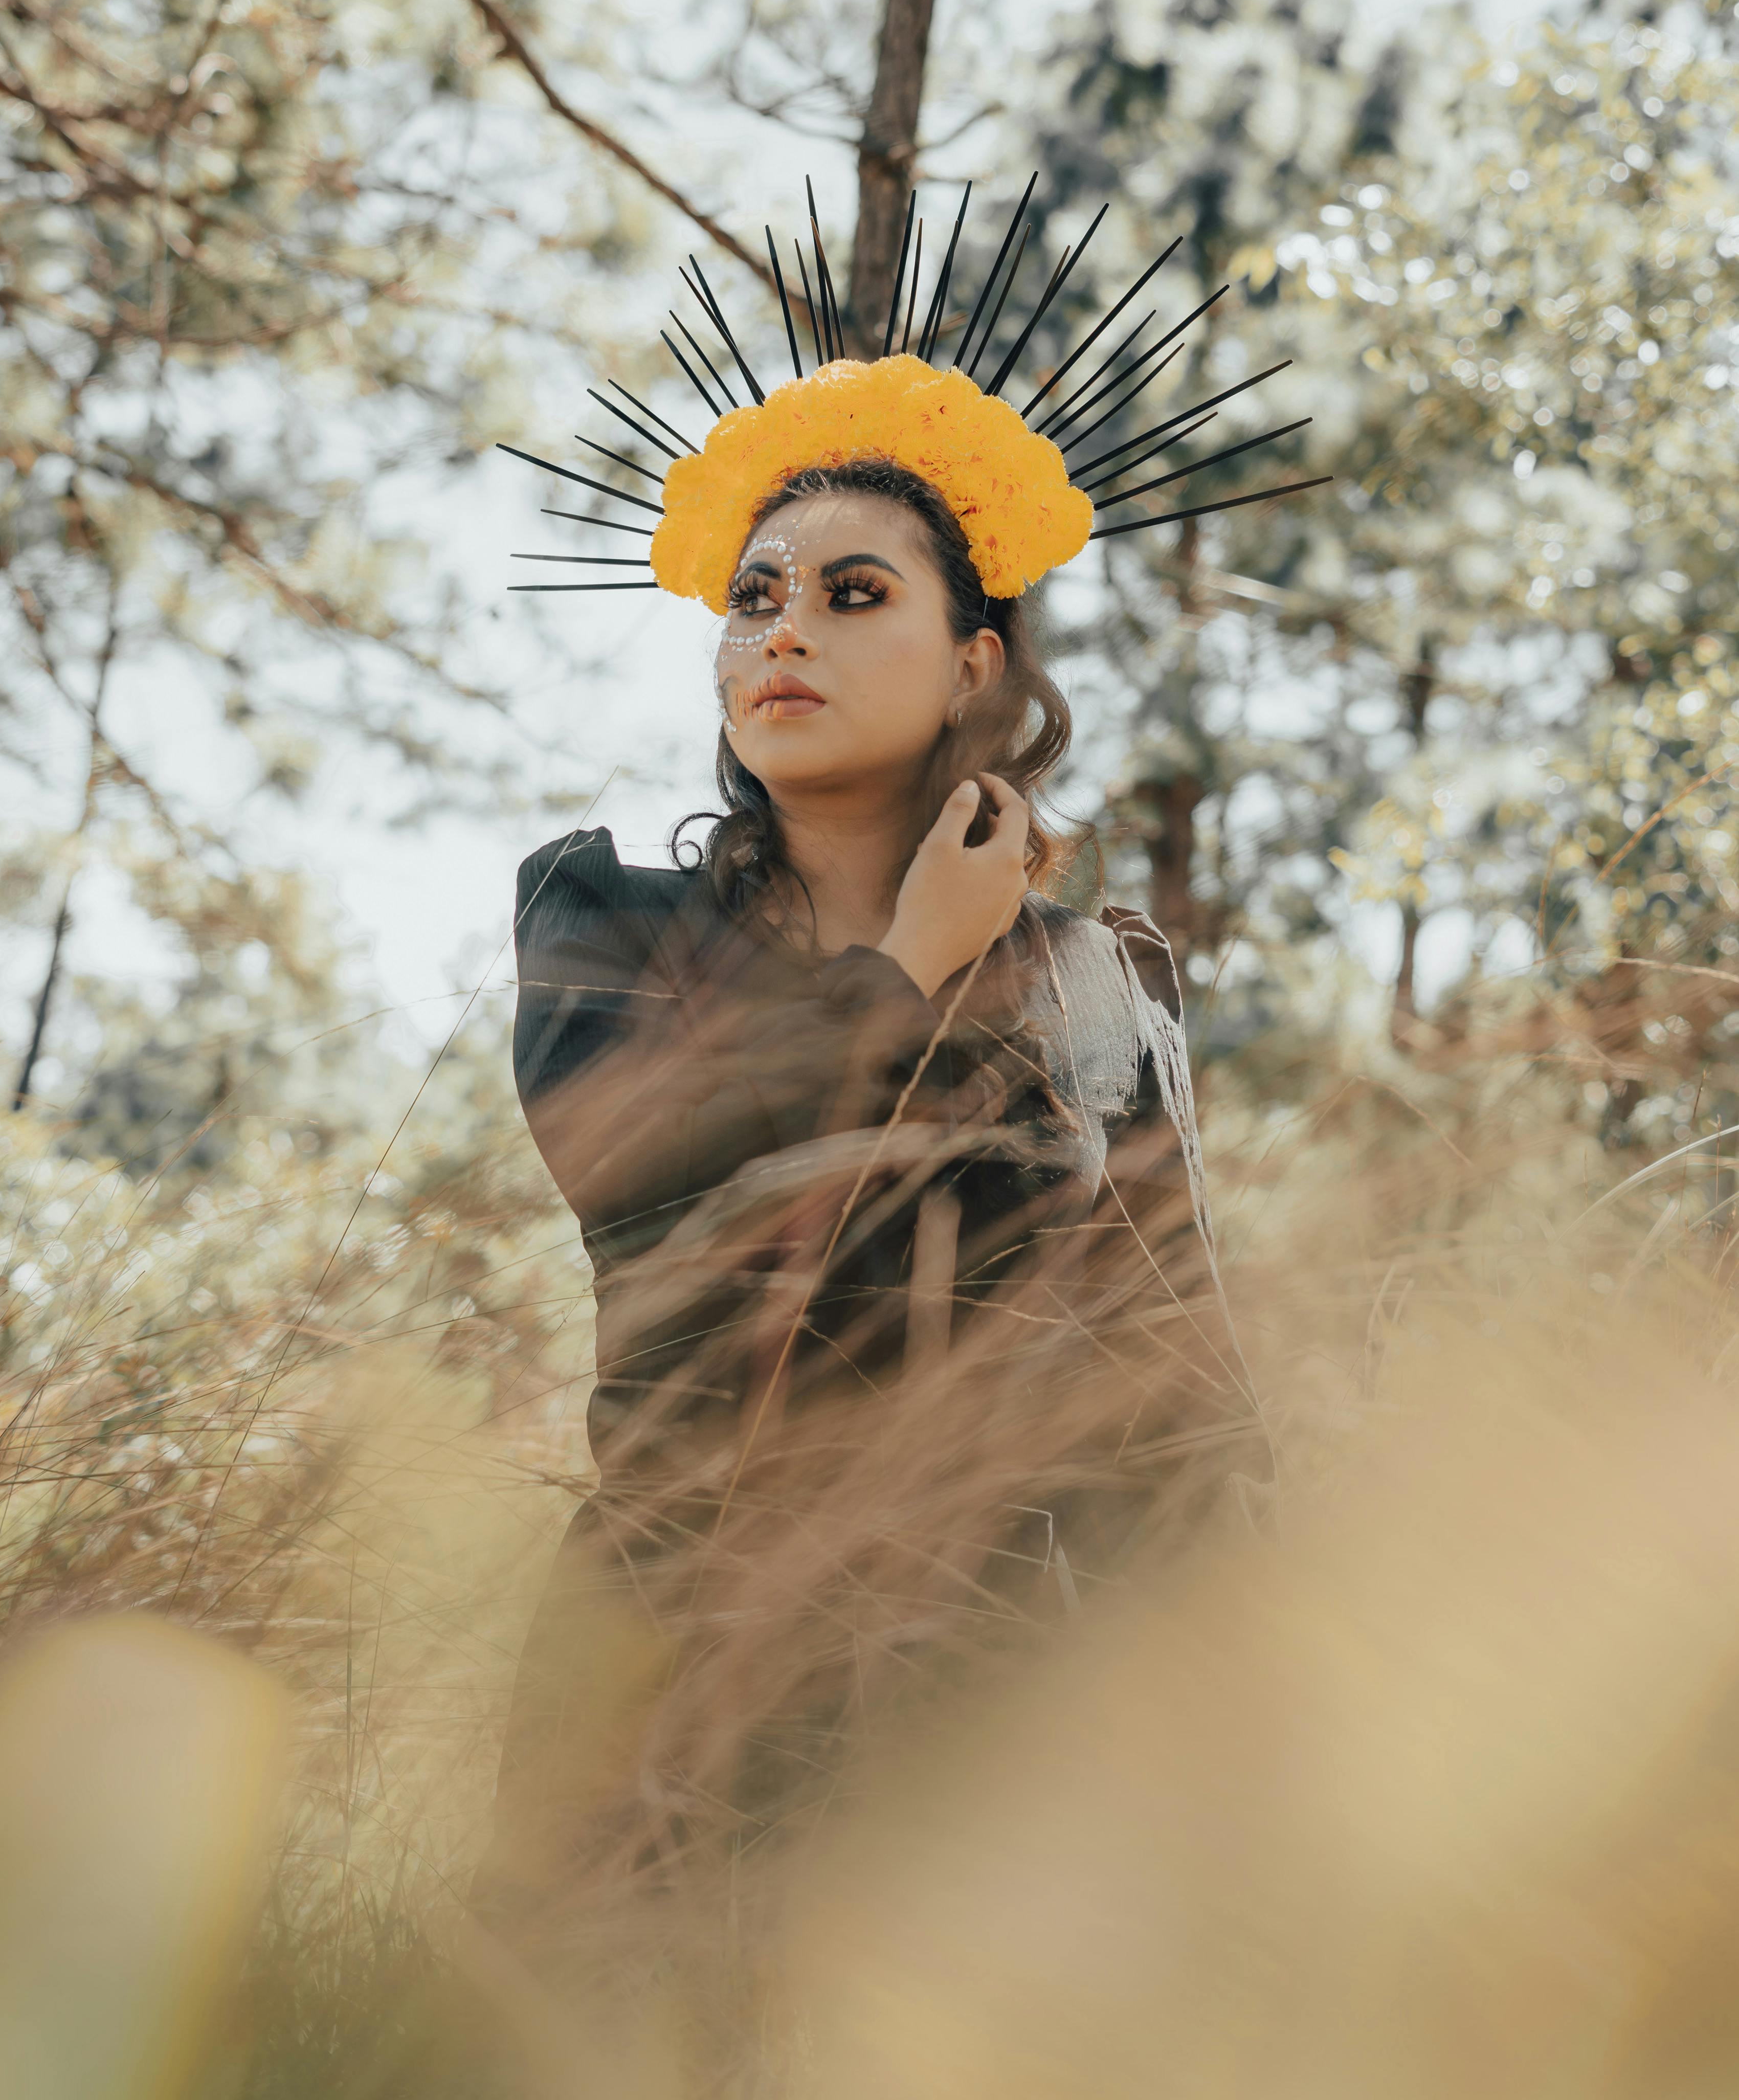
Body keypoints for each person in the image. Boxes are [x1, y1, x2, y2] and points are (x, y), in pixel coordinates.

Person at [478, 193, 1308, 1919]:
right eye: (755, 596)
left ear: (971, 666)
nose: (783, 629)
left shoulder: (1100, 985)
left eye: (856, 595)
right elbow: (650, 1197)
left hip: (995, 1714)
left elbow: (1175, 1399)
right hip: (662, 1675)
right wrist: (911, 962)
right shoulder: (604, 920)